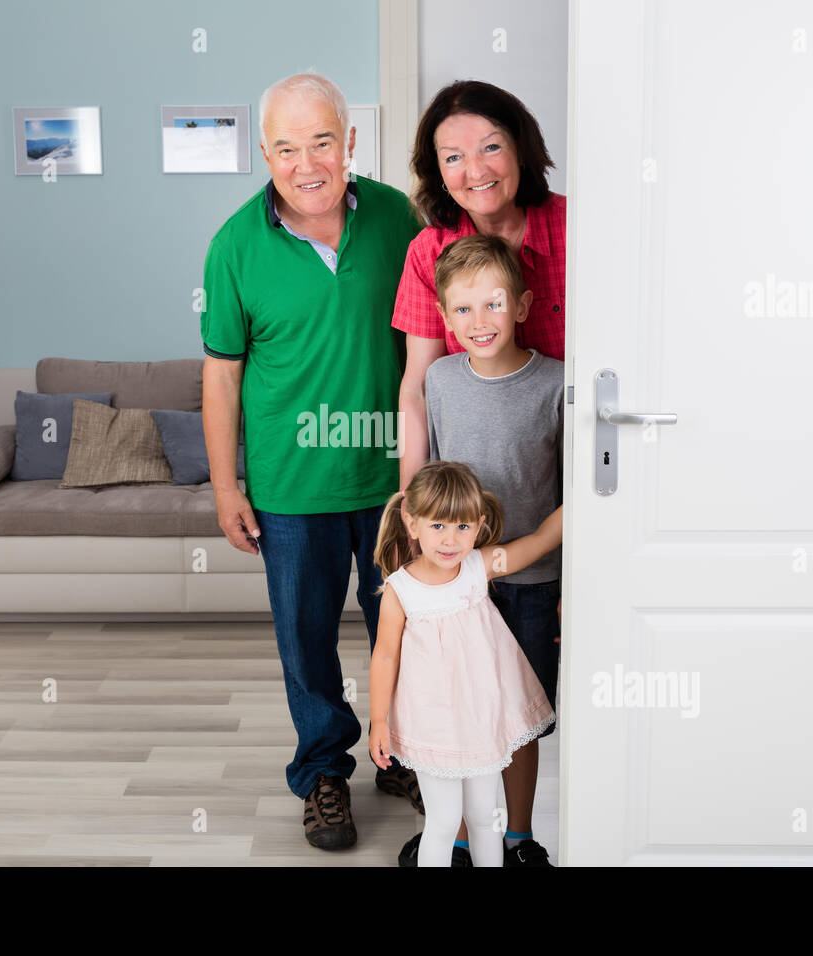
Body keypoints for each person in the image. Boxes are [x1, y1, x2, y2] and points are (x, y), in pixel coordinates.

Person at [200, 72, 422, 851]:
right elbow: (222, 373)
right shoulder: (233, 246)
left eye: (321, 141)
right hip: (292, 489)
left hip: (395, 481)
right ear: (264, 154)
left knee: (411, 626)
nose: (306, 163)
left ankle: (403, 751)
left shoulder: (399, 217)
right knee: (306, 636)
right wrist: (227, 485)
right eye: (287, 148)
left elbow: (431, 341)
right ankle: (324, 770)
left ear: (350, 141)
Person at [393, 80, 567, 866]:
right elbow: (419, 389)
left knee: (523, 700)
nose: (474, 167)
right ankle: (460, 833)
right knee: (455, 694)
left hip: (534, 544)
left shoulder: (572, 231)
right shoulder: (432, 253)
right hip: (452, 552)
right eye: (452, 155)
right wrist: (409, 507)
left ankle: (517, 833)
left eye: (490, 145)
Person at [368, 460, 561, 867]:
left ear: (479, 524)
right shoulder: (401, 590)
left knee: (484, 816)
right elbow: (384, 656)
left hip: (481, 718)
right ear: (412, 522)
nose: (450, 540)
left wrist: (584, 498)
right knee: (443, 818)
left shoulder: (478, 567)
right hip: (432, 721)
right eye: (438, 526)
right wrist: (379, 721)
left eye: (462, 527)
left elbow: (542, 540)